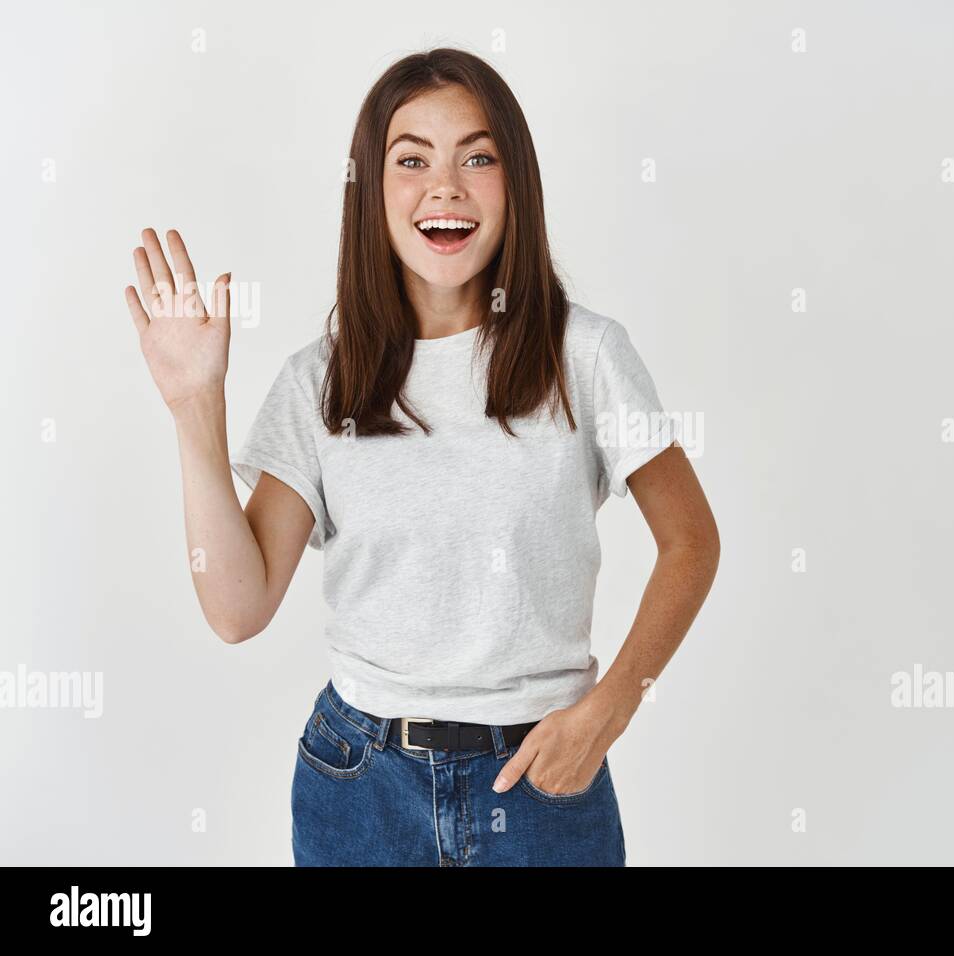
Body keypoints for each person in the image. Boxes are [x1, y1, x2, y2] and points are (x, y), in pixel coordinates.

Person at [123, 47, 720, 866]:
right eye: (412, 160)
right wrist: (196, 408)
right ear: (371, 191)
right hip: (360, 786)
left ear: (517, 187)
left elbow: (692, 541)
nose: (446, 186)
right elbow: (238, 608)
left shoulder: (584, 356)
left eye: (479, 157)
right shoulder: (320, 382)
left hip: (543, 782)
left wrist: (612, 707)